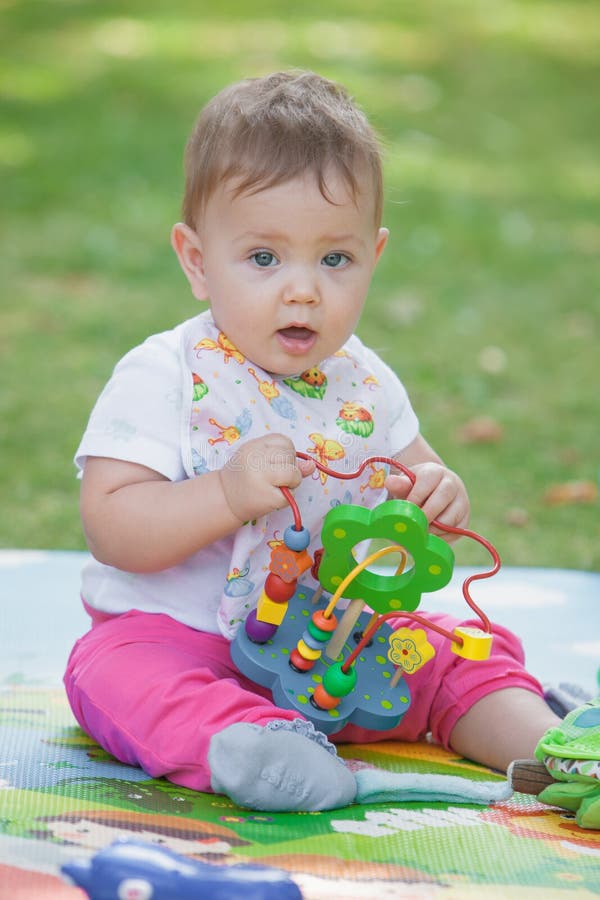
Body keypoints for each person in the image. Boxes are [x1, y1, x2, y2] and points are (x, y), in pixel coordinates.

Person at [65, 70, 569, 814]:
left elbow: (416, 476)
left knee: (451, 654)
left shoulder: (363, 381)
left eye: (335, 259)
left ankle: (552, 749)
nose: (303, 290)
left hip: (336, 645)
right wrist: (225, 493)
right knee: (109, 674)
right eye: (265, 258)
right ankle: (257, 745)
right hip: (185, 640)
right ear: (198, 261)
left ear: (374, 253)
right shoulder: (166, 372)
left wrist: (438, 492)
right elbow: (111, 526)